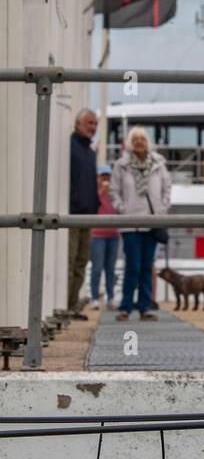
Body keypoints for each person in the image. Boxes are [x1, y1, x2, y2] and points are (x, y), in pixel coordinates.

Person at [110, 127, 171, 321]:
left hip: (152, 222)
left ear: (148, 142)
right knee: (132, 266)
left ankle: (145, 307)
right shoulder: (121, 165)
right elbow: (114, 191)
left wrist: (161, 211)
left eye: (142, 138)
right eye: (135, 138)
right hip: (130, 224)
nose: (139, 142)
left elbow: (167, 189)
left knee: (147, 266)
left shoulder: (159, 164)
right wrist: (123, 209)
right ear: (129, 142)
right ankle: (125, 307)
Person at [68, 109, 99, 319]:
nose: (93, 127)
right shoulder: (71, 147)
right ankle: (65, 304)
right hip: (71, 215)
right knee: (70, 261)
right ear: (78, 124)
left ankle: (71, 304)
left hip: (87, 214)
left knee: (81, 261)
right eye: (89, 123)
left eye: (95, 123)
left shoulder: (90, 152)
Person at [89, 165, 120, 309]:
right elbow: (92, 206)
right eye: (103, 176)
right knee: (97, 268)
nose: (105, 178)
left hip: (114, 235)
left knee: (111, 269)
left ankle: (111, 297)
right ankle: (95, 298)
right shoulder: (94, 192)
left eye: (107, 176)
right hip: (98, 235)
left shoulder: (115, 193)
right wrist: (100, 191)